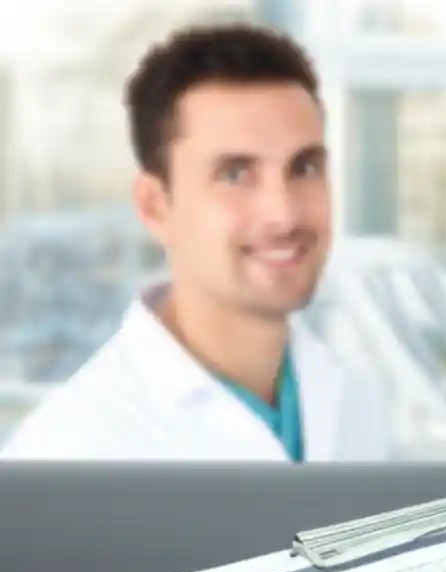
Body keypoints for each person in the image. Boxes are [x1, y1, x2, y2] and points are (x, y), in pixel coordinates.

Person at [1, 23, 392, 461]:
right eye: (235, 174)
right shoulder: (67, 451)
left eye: (303, 168)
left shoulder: (356, 403)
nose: (283, 215)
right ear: (155, 206)